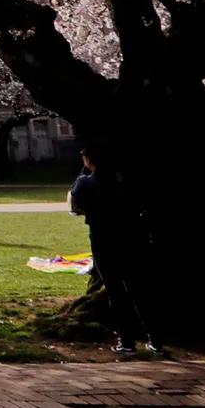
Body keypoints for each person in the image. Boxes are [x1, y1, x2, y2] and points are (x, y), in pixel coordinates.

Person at [70, 148, 161, 356]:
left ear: (88, 160)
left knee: (115, 291)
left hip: (104, 240)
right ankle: (155, 339)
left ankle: (127, 341)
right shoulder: (125, 181)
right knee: (139, 290)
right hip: (132, 238)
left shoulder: (85, 182)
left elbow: (75, 206)